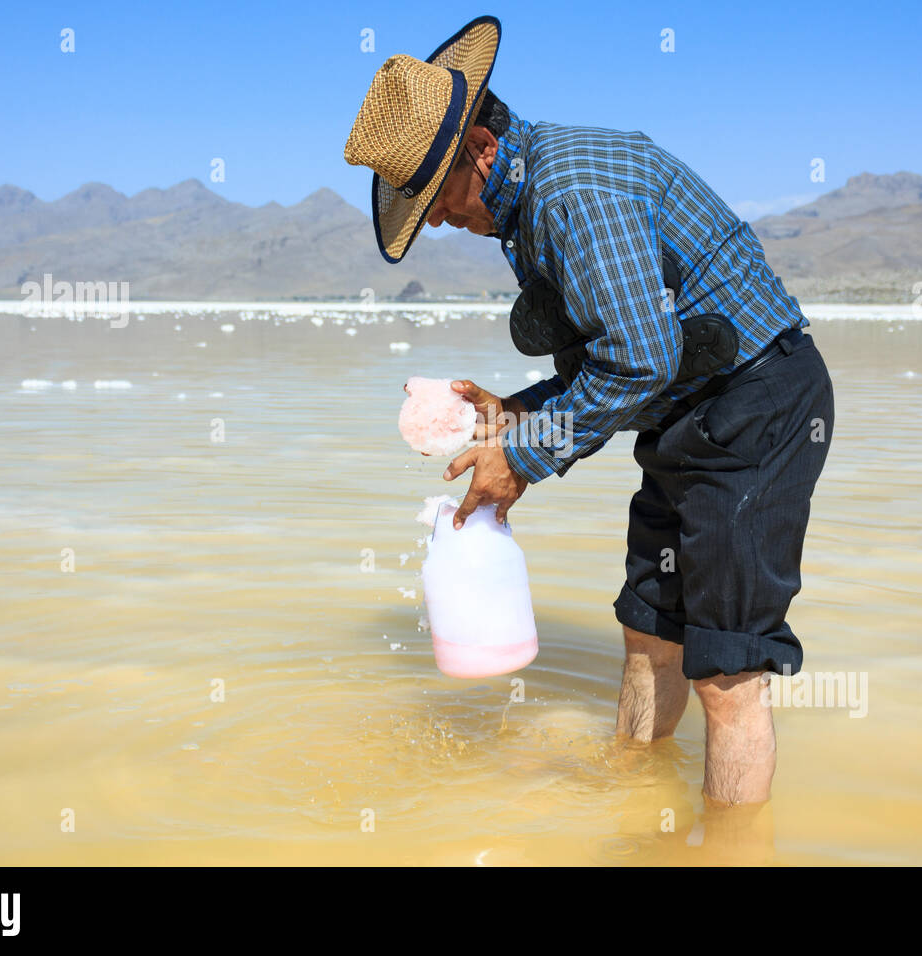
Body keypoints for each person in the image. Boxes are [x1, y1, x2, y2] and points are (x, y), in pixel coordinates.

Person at [344, 16, 834, 806]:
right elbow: (611, 358)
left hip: (756, 405)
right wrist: (515, 413)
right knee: (650, 630)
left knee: (727, 672)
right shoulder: (531, 202)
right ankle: (636, 807)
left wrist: (524, 459)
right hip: (686, 412)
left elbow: (641, 360)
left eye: (436, 195)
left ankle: (732, 856)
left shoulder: (573, 193)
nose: (433, 218)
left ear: (480, 146)